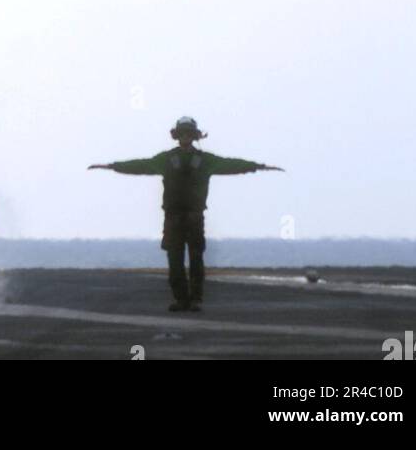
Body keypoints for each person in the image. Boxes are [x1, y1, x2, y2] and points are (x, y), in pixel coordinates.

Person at [89, 116, 282, 312]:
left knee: (196, 258)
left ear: (194, 135)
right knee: (175, 259)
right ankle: (181, 299)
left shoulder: (206, 160)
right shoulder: (166, 159)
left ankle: (195, 299)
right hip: (173, 217)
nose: (185, 136)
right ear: (177, 135)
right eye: (183, 133)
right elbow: (140, 166)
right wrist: (113, 166)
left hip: (194, 217)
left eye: (189, 133)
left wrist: (257, 166)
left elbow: (232, 164)